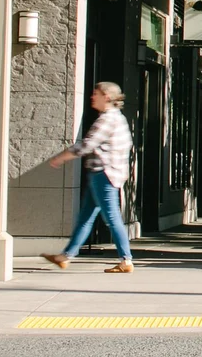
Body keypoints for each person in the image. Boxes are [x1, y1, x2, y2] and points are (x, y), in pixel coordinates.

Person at [41, 81, 135, 273]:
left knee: (112, 218)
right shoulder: (118, 118)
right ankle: (65, 256)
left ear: (106, 97)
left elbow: (87, 145)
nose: (92, 97)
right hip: (105, 174)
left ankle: (126, 260)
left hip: (104, 174)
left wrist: (61, 158)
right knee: (86, 217)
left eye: (95, 93)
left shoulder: (107, 120)